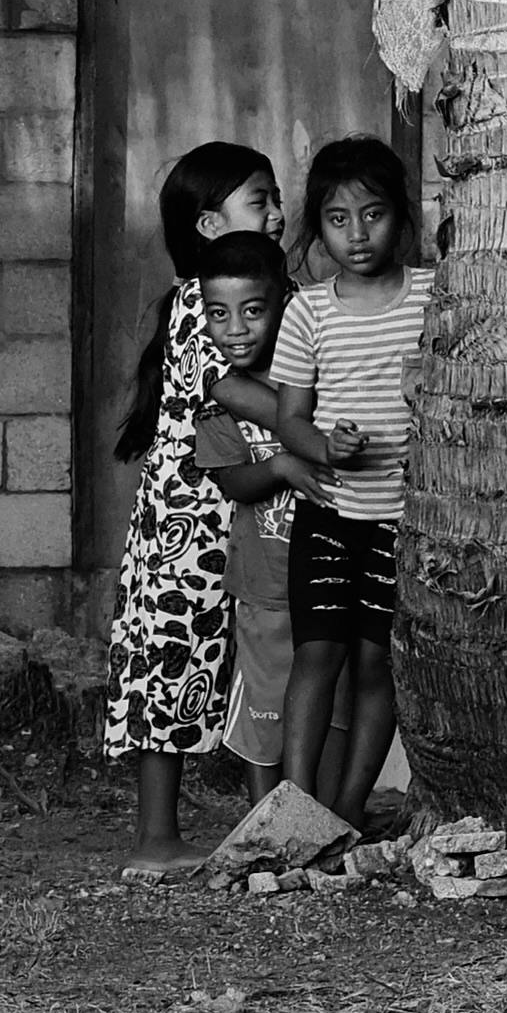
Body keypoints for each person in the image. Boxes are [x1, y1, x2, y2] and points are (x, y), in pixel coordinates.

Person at [103, 141, 283, 879]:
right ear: (209, 225)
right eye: (259, 201)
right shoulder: (196, 302)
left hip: (244, 509)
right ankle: (156, 838)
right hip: (190, 521)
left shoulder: (270, 290)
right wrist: (318, 424)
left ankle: (271, 819)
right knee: (176, 661)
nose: (277, 213)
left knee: (255, 662)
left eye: (276, 199)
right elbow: (231, 391)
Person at [273, 135, 431, 828]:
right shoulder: (308, 310)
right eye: (338, 219)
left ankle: (345, 811)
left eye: (373, 215)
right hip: (331, 515)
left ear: (401, 216)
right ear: (319, 226)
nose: (357, 235)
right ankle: (294, 807)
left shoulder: (432, 295)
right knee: (317, 657)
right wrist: (326, 448)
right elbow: (291, 420)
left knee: (377, 666)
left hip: (406, 522)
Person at [188, 230, 351, 803]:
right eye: (219, 314)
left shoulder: (312, 384)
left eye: (252, 311)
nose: (235, 329)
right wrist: (282, 466)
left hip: (331, 577)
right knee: (262, 714)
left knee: (333, 710)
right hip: (264, 590)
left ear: (284, 301)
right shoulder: (221, 402)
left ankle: (328, 819)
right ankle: (263, 820)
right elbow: (232, 482)